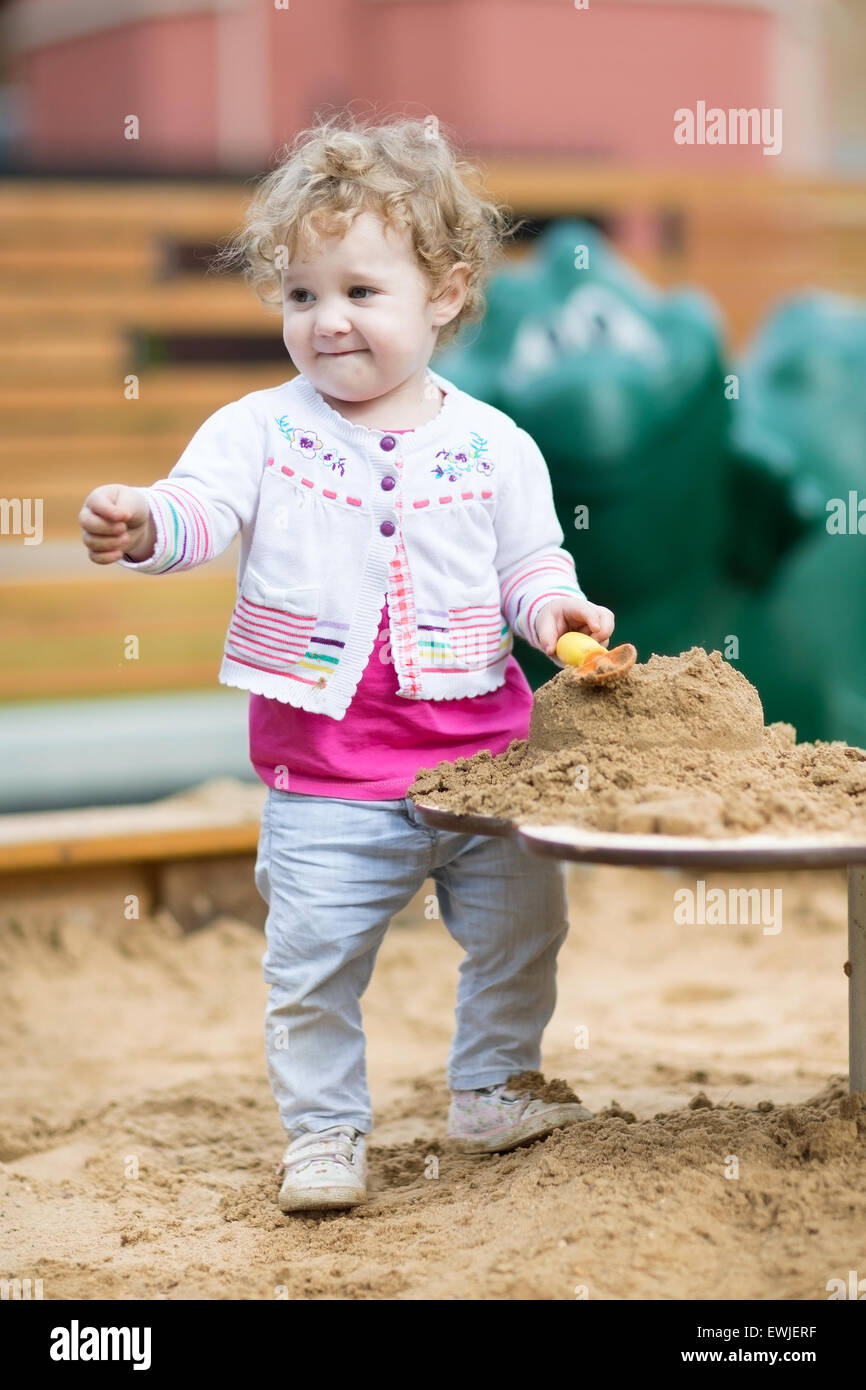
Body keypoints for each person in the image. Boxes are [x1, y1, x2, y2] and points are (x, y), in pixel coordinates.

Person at [78, 114, 616, 1213]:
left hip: (483, 769)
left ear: (447, 293)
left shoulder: (494, 444)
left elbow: (526, 565)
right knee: (313, 964)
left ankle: (493, 1085)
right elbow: (200, 509)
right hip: (325, 776)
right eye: (301, 296)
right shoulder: (259, 431)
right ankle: (323, 1131)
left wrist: (556, 608)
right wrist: (144, 523)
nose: (327, 322)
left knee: (524, 929)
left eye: (360, 294)